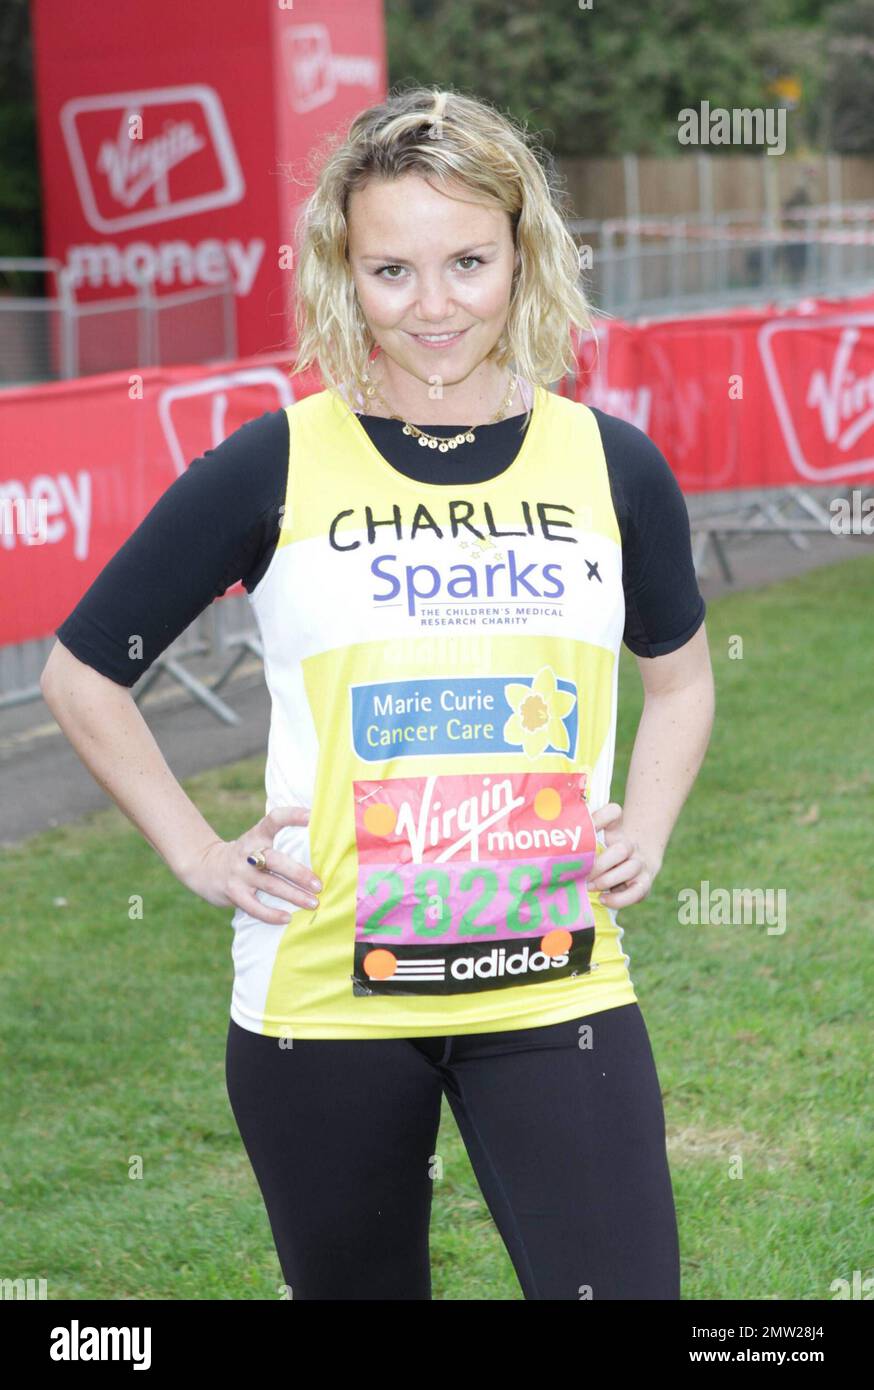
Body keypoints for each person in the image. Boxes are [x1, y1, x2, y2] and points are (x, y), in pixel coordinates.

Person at [40, 85, 715, 1301]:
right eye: (392, 269)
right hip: (321, 1001)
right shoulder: (274, 461)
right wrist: (199, 854)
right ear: (344, 274)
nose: (436, 305)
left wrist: (648, 829)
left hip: (558, 984)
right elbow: (83, 671)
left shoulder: (614, 466)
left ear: (524, 252)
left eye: (467, 260)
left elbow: (679, 682)